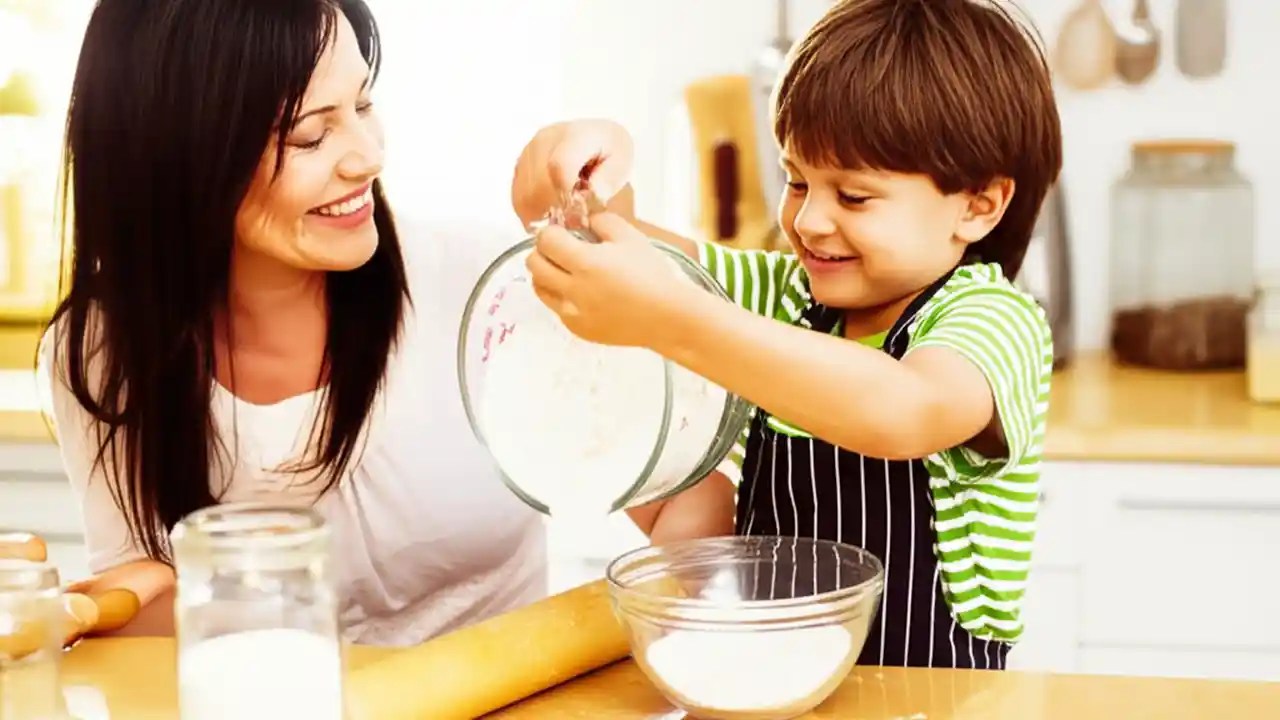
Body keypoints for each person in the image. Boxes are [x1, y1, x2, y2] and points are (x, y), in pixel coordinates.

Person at [511, 0, 1062, 669]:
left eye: (854, 197)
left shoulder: (993, 317)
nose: (810, 222)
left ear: (978, 205)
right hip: (772, 694)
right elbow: (581, 236)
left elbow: (902, 411)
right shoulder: (783, 296)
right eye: (797, 181)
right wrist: (581, 159)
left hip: (931, 703)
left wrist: (674, 320)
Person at [35, 0, 545, 646]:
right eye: (311, 134)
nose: (367, 158)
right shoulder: (102, 353)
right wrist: (87, 610)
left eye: (363, 106)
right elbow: (154, 614)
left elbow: (677, 502)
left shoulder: (483, 289)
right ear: (183, 157)